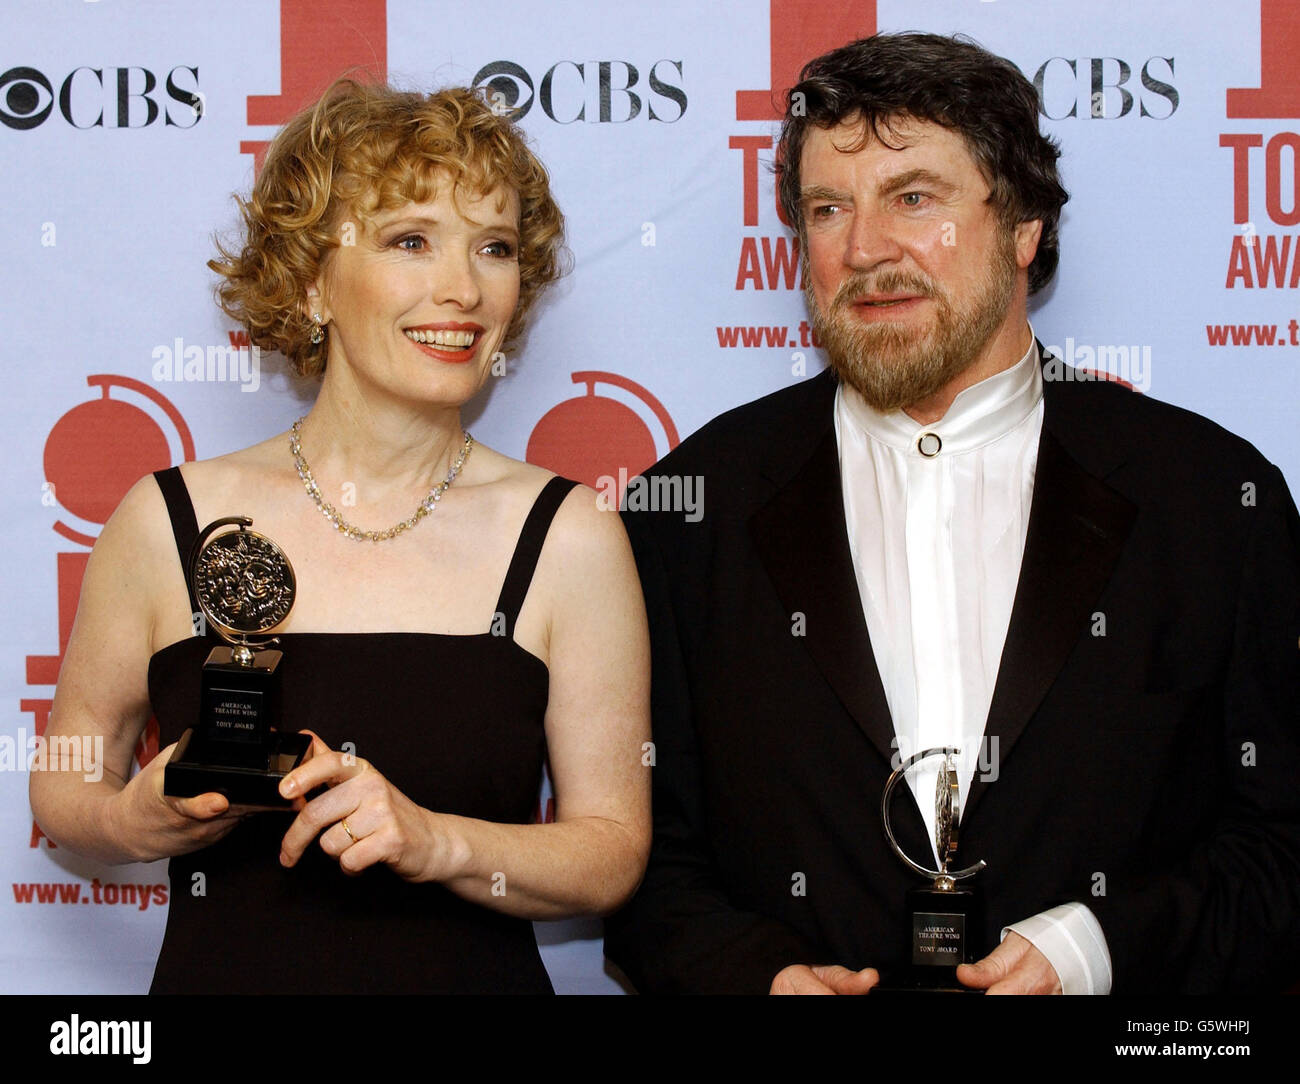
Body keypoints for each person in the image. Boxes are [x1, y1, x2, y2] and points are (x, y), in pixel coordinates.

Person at [604, 32, 1300, 994]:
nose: (863, 249)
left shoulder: (1212, 500)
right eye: (827, 208)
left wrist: (1098, 947)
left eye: (913, 199)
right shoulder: (689, 511)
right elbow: (633, 860)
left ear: (1022, 227)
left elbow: (1282, 848)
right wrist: (755, 978)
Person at [30, 80, 650, 994]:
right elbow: (65, 778)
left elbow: (610, 850)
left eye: (495, 248)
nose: (464, 288)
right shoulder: (169, 517)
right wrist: (134, 821)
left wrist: (434, 840)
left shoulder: (568, 535)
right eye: (411, 241)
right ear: (312, 280)